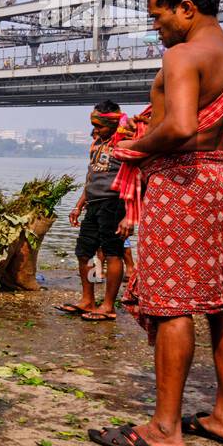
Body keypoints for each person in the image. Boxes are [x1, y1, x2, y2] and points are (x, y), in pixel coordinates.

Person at [89, 0, 223, 446]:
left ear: (187, 8)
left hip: (182, 182)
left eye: (158, 15)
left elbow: (181, 127)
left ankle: (165, 429)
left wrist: (133, 148)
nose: (155, 26)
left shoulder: (182, 55)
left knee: (172, 303)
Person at [56, 100, 126, 322]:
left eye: (100, 126)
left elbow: (136, 179)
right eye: (94, 126)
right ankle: (88, 300)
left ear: (113, 124)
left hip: (114, 203)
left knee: (113, 253)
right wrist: (79, 204)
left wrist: (131, 215)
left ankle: (108, 306)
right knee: (84, 253)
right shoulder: (96, 143)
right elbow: (91, 177)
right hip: (94, 203)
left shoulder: (126, 143)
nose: (95, 130)